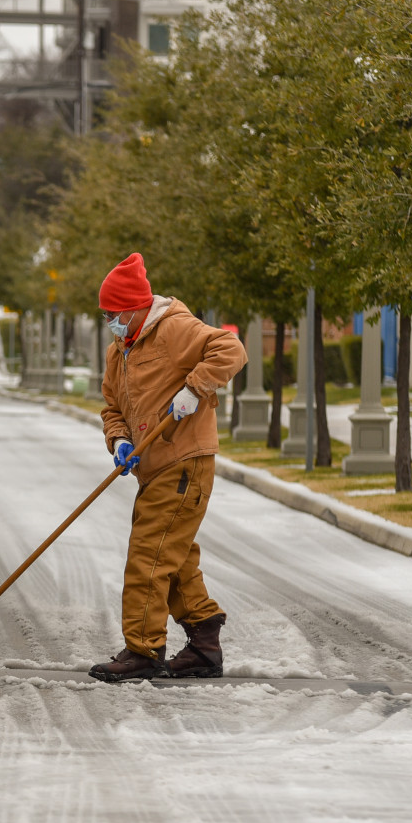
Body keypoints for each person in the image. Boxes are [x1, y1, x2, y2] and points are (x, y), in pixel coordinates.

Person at [90, 253, 246, 684]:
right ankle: (204, 643)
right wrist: (119, 440)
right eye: (105, 315)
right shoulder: (119, 351)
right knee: (171, 556)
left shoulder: (174, 329)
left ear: (135, 307)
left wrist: (194, 389)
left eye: (114, 313)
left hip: (184, 463)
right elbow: (112, 407)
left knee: (149, 555)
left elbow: (230, 348)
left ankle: (143, 650)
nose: (110, 322)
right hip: (153, 469)